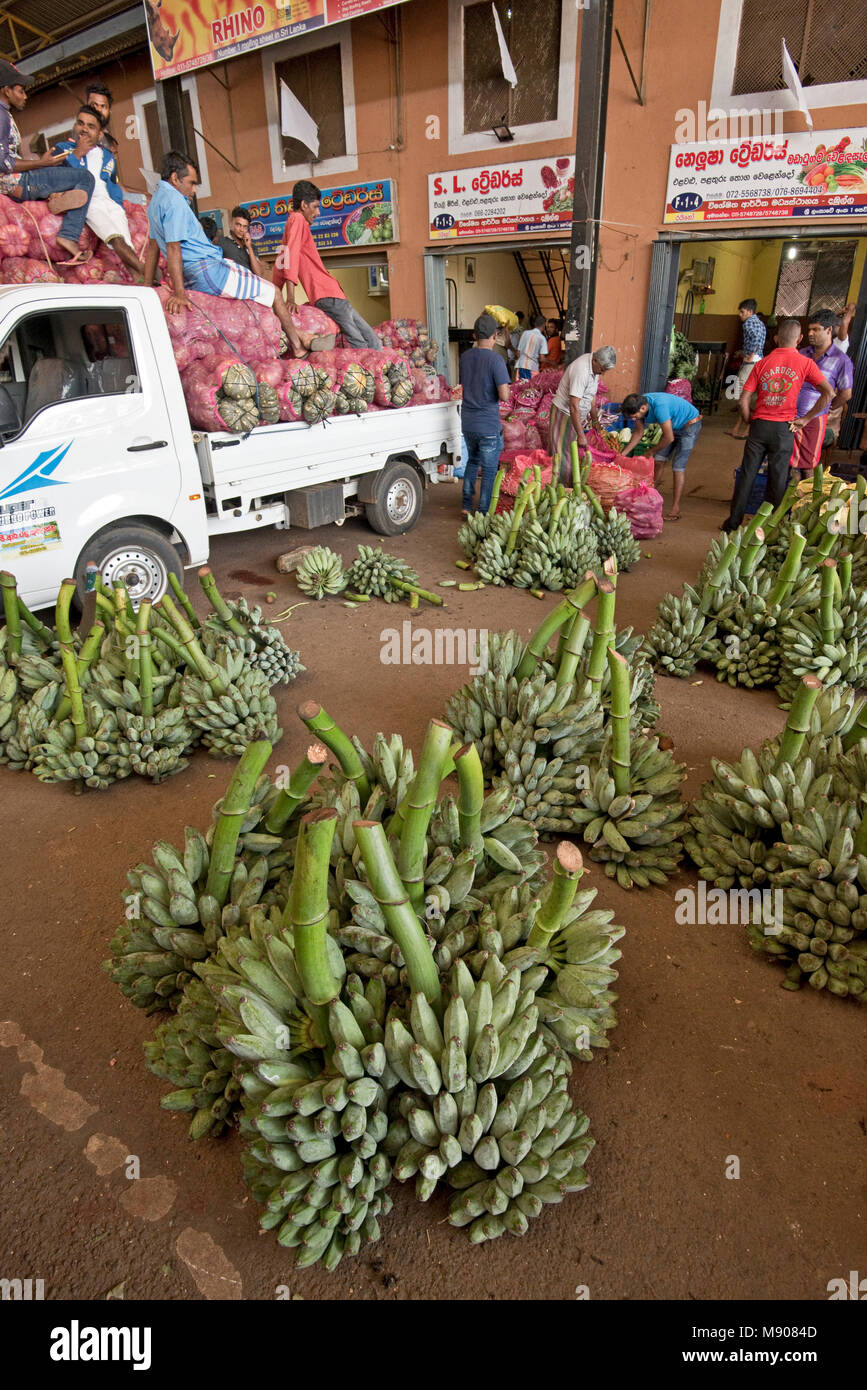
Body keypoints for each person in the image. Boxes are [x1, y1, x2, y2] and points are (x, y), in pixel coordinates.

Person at [143, 151, 311, 357]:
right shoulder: (174, 201)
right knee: (274, 292)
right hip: (208, 271)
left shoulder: (154, 202)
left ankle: (299, 334)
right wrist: (179, 293)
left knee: (256, 290)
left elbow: (153, 248)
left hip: (204, 269)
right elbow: (172, 248)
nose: (194, 190)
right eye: (192, 183)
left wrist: (144, 286)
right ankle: (299, 347)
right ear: (175, 178)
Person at [720, 317, 834, 532]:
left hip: (760, 425)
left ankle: (732, 524)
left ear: (775, 338)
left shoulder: (762, 363)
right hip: (785, 429)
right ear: (799, 338)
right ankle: (771, 526)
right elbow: (829, 393)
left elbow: (743, 399)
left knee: (747, 474)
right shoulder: (806, 363)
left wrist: (748, 419)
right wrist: (806, 419)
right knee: (778, 478)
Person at [0, 60, 95, 266]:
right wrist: (40, 163)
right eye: (21, 90)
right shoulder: (1, 117)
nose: (25, 96)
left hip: (16, 183)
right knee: (85, 178)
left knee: (62, 170)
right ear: (6, 90)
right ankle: (68, 235)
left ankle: (57, 195)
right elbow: (3, 163)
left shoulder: (4, 114)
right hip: (20, 183)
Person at [272, 180, 380, 349]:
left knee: (368, 339)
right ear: (303, 205)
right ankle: (371, 370)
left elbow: (282, 259)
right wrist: (288, 297)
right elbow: (289, 257)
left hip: (331, 294)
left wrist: (274, 292)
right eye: (315, 207)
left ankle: (379, 367)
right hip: (326, 294)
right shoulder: (298, 219)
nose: (318, 212)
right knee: (362, 341)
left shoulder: (293, 223)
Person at [51, 106, 144, 277]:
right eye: (80, 123)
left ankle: (142, 281)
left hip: (111, 204)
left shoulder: (107, 156)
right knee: (116, 240)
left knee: (127, 247)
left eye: (91, 126)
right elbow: (55, 178)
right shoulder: (62, 150)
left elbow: (112, 183)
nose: (84, 129)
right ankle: (150, 277)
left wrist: (118, 205)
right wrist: (77, 154)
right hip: (88, 202)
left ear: (100, 134)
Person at [621, 389, 703, 521]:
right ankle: (650, 496)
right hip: (673, 426)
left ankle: (675, 507)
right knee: (658, 461)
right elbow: (638, 433)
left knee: (678, 467)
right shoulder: (640, 405)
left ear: (643, 408)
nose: (633, 419)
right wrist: (623, 454)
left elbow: (669, 438)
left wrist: (651, 451)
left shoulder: (660, 407)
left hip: (690, 426)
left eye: (635, 416)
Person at [790, 310, 853, 478]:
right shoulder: (801, 353)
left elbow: (846, 394)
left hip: (813, 420)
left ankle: (807, 502)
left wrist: (828, 407)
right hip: (789, 415)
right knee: (782, 460)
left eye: (816, 329)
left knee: (807, 465)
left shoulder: (841, 360)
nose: (810, 333)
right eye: (809, 329)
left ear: (829, 330)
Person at [459, 312, 511, 516]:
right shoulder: (495, 360)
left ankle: (465, 505)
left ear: (474, 335)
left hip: (468, 422)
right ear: (494, 335)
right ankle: (482, 511)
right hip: (488, 424)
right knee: (489, 470)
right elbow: (504, 395)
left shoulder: (465, 357)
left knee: (472, 460)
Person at [549, 345, 617, 483]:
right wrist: (581, 435)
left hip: (574, 416)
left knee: (569, 452)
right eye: (602, 369)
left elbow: (591, 398)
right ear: (596, 361)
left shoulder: (595, 369)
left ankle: (566, 486)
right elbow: (573, 406)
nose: (603, 373)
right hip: (565, 414)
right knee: (563, 455)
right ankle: (560, 490)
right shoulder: (582, 370)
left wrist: (595, 422)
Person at [726, 299, 767, 440]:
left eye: (742, 312)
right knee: (749, 397)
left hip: (750, 364)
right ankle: (738, 428)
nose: (740, 314)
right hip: (758, 362)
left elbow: (755, 340)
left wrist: (750, 354)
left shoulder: (749, 322)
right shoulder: (760, 323)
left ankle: (749, 427)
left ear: (750, 312)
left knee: (741, 397)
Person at [219, 205, 264, 276]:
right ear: (231, 223)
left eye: (245, 226)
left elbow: (259, 273)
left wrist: (249, 247)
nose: (241, 229)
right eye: (238, 225)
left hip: (249, 285)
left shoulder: (252, 247)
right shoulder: (221, 243)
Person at [83, 79, 119, 157]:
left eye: (103, 106)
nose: (98, 110)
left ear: (109, 111)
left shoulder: (111, 143)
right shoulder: (77, 139)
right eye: (94, 105)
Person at [515, 314, 548, 380]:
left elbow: (518, 352)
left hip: (520, 366)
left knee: (519, 387)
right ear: (544, 325)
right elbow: (542, 359)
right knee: (529, 388)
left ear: (534, 323)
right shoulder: (542, 338)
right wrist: (554, 363)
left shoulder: (525, 333)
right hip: (531, 368)